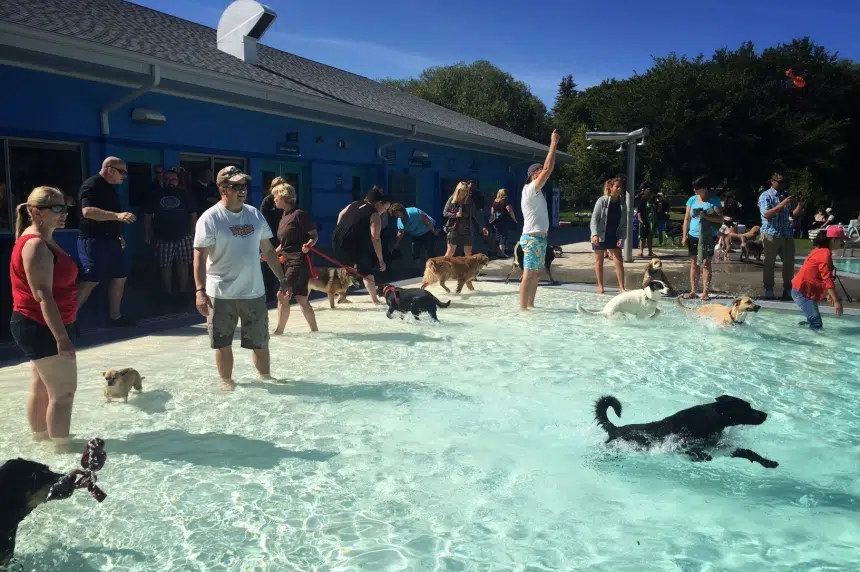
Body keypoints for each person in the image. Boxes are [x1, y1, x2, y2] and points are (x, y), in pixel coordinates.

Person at [192, 166, 288, 391]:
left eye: (244, 186)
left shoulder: (254, 214)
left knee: (260, 342)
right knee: (223, 344)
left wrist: (282, 279)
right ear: (222, 189)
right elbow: (199, 256)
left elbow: (269, 251)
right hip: (220, 293)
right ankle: (227, 382)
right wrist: (199, 290)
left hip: (253, 291)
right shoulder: (210, 218)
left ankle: (266, 378)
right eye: (236, 186)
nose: (242, 190)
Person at [9, 186, 78, 453]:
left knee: (41, 387)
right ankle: (63, 450)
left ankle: (41, 441)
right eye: (57, 208)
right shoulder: (36, 244)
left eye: (65, 208)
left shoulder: (42, 238)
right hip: (42, 325)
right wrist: (62, 338)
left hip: (35, 323)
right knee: (64, 393)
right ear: (35, 211)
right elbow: (43, 296)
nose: (64, 214)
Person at [76, 156, 137, 326]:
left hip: (112, 239)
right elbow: (87, 211)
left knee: (120, 275)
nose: (124, 176)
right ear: (110, 169)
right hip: (93, 239)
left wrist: (118, 234)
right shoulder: (92, 184)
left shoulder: (111, 189)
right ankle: (66, 321)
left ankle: (115, 316)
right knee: (90, 279)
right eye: (122, 172)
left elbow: (110, 216)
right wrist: (118, 216)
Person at [519, 129, 561, 310]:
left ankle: (531, 306)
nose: (541, 173)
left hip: (540, 237)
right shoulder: (529, 189)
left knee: (536, 274)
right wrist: (553, 144)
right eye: (538, 171)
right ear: (532, 175)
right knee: (528, 274)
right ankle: (522, 309)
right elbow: (548, 168)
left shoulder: (538, 193)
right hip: (531, 237)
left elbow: (546, 169)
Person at [271, 179, 319, 335]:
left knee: (281, 294)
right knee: (301, 299)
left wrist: (308, 245)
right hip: (287, 260)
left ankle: (279, 331)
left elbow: (314, 236)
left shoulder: (300, 215)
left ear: (284, 196)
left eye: (275, 196)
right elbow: (284, 244)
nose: (274, 199)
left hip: (298, 261)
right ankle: (315, 331)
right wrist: (271, 254)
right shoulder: (284, 216)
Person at [143, 168, 198, 296]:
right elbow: (147, 216)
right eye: (167, 179)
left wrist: (194, 233)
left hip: (184, 235)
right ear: (162, 180)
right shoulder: (155, 194)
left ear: (178, 180)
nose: (170, 182)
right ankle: (167, 292)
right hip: (163, 236)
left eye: (173, 179)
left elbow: (193, 214)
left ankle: (183, 291)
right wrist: (147, 234)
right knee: (165, 265)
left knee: (183, 264)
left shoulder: (185, 194)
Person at [332, 187, 390, 305]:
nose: (384, 211)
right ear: (379, 204)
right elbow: (376, 238)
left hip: (336, 239)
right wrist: (381, 260)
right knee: (367, 272)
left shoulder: (354, 203)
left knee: (346, 268)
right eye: (385, 208)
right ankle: (375, 301)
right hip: (353, 245)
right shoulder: (374, 215)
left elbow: (341, 214)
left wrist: (341, 229)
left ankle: (341, 296)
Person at [759, 173, 804, 300]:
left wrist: (800, 205)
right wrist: (782, 204)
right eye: (779, 181)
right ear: (772, 181)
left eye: (783, 182)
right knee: (769, 264)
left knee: (789, 264)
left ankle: (788, 290)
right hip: (771, 234)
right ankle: (769, 289)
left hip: (787, 234)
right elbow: (767, 214)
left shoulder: (786, 195)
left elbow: (791, 216)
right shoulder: (765, 195)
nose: (782, 184)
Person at [791, 226, 846, 330]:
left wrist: (830, 295)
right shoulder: (825, 253)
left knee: (813, 320)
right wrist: (836, 300)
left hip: (803, 290)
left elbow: (821, 276)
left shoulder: (819, 250)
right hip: (802, 292)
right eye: (840, 240)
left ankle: (800, 330)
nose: (842, 243)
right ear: (833, 240)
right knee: (816, 323)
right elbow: (827, 278)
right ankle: (813, 344)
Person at [682, 176, 723, 301]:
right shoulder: (692, 200)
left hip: (708, 236)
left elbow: (720, 219)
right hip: (693, 235)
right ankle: (693, 290)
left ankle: (705, 292)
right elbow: (687, 218)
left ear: (704, 188)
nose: (695, 191)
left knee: (706, 263)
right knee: (694, 263)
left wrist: (706, 217)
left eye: (697, 189)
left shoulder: (714, 201)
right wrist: (684, 235)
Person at [590, 177, 627, 294]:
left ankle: (622, 287)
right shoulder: (602, 201)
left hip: (614, 234)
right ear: (611, 187)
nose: (619, 189)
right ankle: (600, 286)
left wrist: (622, 237)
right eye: (617, 186)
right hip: (600, 234)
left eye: (621, 187)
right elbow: (594, 219)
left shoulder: (622, 203)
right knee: (599, 260)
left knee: (619, 260)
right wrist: (594, 234)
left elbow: (624, 223)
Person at [443, 183, 488, 258]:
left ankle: (469, 269)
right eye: (462, 190)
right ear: (458, 190)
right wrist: (455, 215)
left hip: (467, 229)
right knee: (450, 252)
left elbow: (475, 215)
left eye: (466, 191)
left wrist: (483, 227)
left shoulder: (470, 201)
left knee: (468, 252)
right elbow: (445, 213)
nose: (464, 193)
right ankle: (443, 268)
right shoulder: (452, 199)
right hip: (453, 229)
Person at [490, 189, 519, 258]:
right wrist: (515, 219)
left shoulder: (495, 201)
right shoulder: (505, 201)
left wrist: (492, 219)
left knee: (498, 236)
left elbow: (492, 211)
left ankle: (498, 252)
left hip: (496, 221)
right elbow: (510, 210)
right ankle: (501, 253)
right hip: (504, 220)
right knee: (503, 236)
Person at [636, 184, 656, 258]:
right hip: (643, 221)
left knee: (650, 237)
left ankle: (650, 251)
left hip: (651, 221)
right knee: (642, 237)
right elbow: (639, 211)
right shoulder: (642, 201)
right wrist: (640, 219)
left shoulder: (652, 201)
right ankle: (641, 251)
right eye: (651, 193)